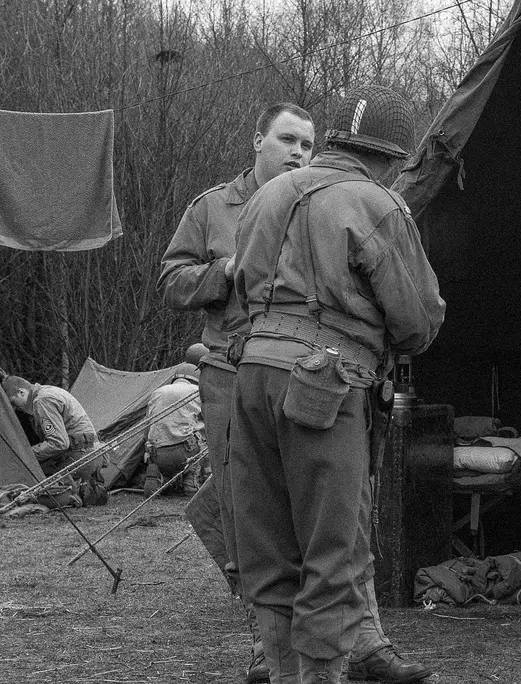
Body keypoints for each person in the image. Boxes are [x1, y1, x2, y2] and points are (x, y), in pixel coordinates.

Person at [231, 84, 444, 684]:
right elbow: (418, 319)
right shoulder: (378, 204)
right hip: (326, 386)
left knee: (270, 551)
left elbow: (241, 281)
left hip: (252, 376)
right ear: (394, 156)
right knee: (335, 551)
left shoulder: (266, 194)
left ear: (340, 141)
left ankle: (278, 674)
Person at [158, 102, 316, 684]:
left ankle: (321, 633)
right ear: (257, 141)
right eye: (288, 139)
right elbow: (172, 283)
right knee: (241, 508)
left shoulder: (314, 204)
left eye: (307, 144)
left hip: (297, 376)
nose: (299, 152)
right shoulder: (212, 207)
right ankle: (264, 641)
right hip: (228, 374)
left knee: (304, 506)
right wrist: (222, 272)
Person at [2, 375, 101, 482]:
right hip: (90, 451)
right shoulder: (47, 391)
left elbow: (59, 443)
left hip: (81, 456)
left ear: (21, 392)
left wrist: (27, 454)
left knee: (32, 478)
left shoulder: (42, 401)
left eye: (12, 402)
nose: (14, 407)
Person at [142, 363, 204, 498]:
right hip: (186, 452)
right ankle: (191, 481)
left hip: (158, 455)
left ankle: (158, 475)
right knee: (207, 439)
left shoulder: (157, 392)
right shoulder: (197, 391)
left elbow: (146, 428)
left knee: (156, 441)